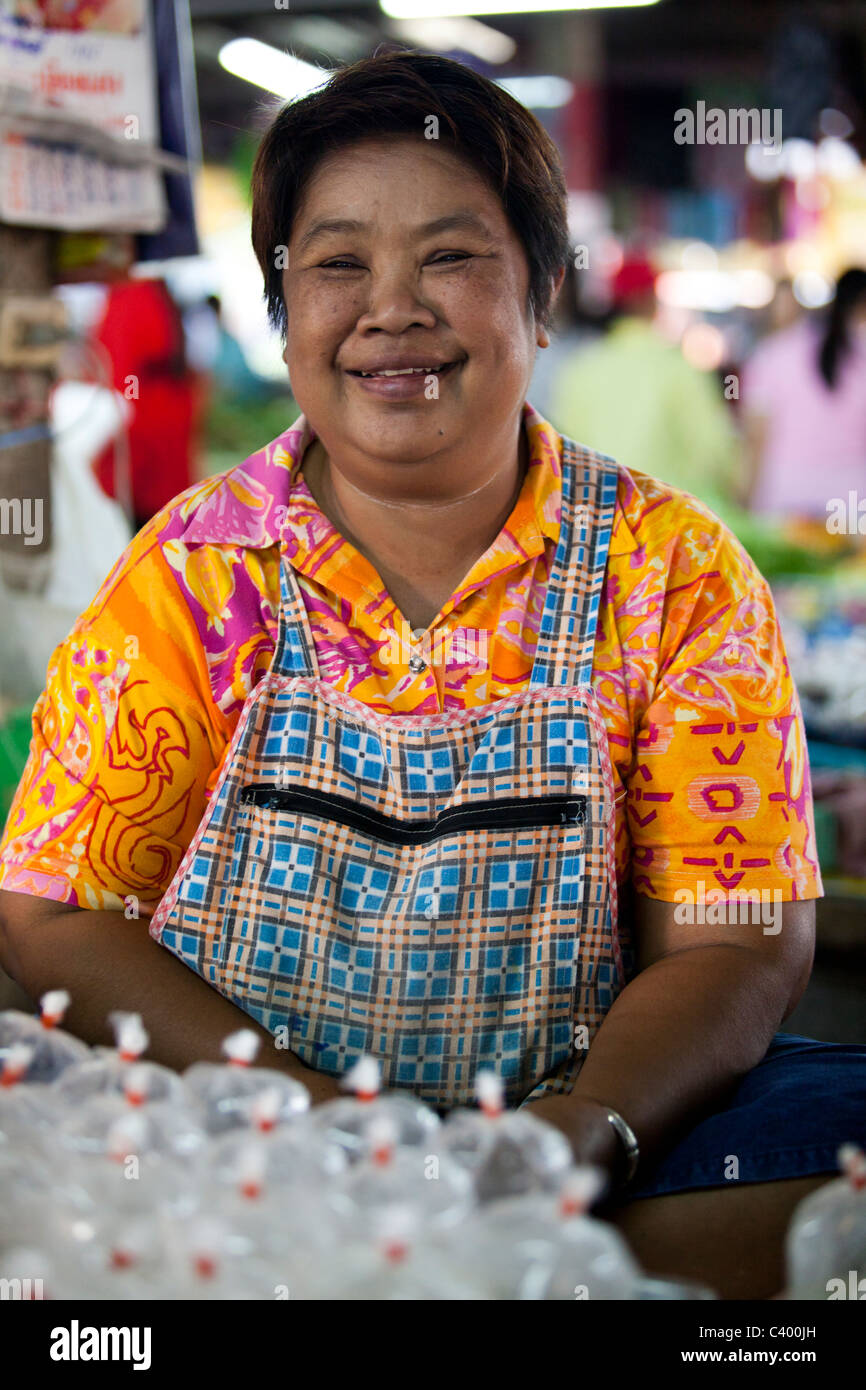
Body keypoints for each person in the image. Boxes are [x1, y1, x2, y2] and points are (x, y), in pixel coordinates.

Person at [0, 53, 862, 1300]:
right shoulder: (195, 574)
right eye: (337, 263)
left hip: (579, 1131)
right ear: (282, 306)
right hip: (248, 1140)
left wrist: (586, 1131)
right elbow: (53, 906)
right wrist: (317, 1127)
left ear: (543, 293)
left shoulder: (671, 572)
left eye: (450, 258)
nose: (389, 309)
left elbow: (733, 936)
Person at [551, 254, 742, 508]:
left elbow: (561, 452)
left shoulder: (580, 368)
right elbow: (714, 451)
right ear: (652, 300)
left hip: (598, 525)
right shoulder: (678, 368)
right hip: (668, 525)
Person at [742, 267, 866, 520]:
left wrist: (746, 499)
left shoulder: (773, 353)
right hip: (852, 506)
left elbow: (756, 438)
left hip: (784, 499)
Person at [90, 277, 204, 532]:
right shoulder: (147, 289)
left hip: (149, 418)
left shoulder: (132, 292)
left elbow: (123, 371)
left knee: (145, 520)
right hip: (158, 412)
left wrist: (126, 404)